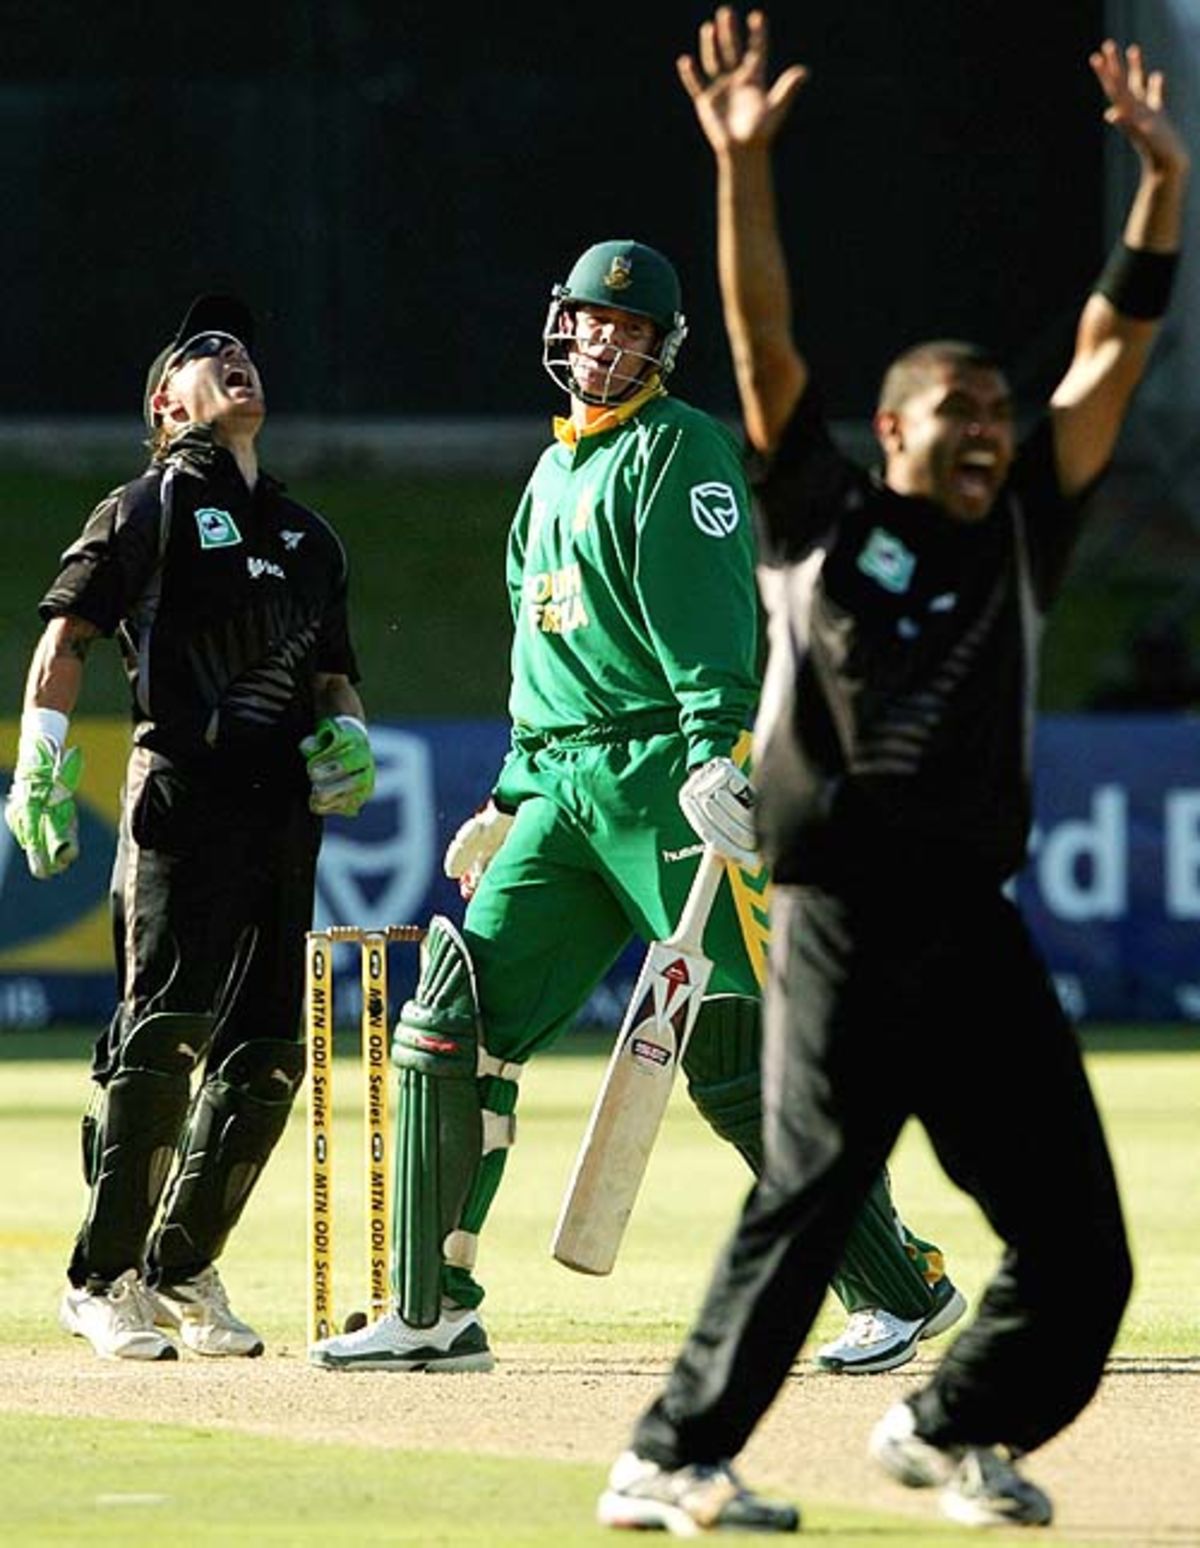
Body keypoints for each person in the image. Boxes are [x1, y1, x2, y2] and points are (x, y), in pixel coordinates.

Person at [599, 9, 1188, 1535]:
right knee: (807, 1197)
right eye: (961, 417)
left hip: (968, 926)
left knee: (1083, 1252)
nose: (990, 433)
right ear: (893, 430)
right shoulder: (815, 515)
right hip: (842, 921)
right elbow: (760, 339)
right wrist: (741, 171)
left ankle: (947, 1423)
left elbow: (1114, 346)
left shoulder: (1021, 528)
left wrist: (1160, 192)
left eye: (1002, 415)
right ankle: (666, 1456)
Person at [309, 237, 963, 1374]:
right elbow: (536, 650)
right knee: (445, 1023)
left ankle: (898, 1287)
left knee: (731, 1053)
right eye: (592, 322)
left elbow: (713, 618)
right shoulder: (550, 475)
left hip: (665, 780)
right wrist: (509, 796)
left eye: (632, 330)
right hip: (558, 790)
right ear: (561, 325)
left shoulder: (683, 452)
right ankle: (430, 1307)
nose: (606, 343)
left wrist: (720, 753)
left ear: (662, 347)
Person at [4, 294, 375, 1361]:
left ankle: (180, 1269)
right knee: (162, 1031)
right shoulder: (148, 506)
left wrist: (352, 739)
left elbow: (336, 677)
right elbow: (66, 637)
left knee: (267, 1055)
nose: (236, 361)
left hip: (282, 817)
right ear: (166, 402)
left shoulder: (311, 536)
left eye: (245, 352)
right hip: (181, 800)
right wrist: (40, 757)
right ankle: (100, 1276)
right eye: (208, 357)